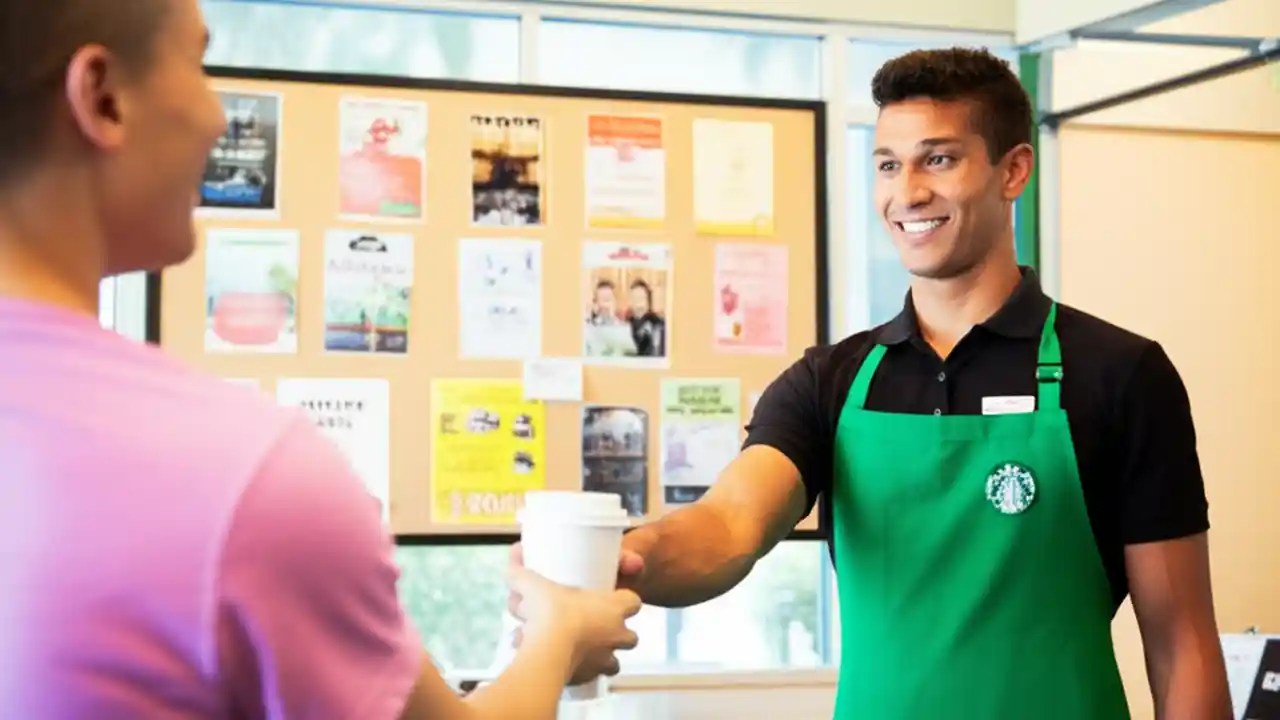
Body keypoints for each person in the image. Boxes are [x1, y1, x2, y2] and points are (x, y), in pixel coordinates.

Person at [513, 48, 1234, 718]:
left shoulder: (1121, 374)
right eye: (887, 166)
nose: (907, 192)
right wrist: (621, 559)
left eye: (939, 160)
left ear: (1013, 171)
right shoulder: (830, 381)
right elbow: (729, 526)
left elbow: (1181, 642)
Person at [0, 2, 639, 719]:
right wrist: (560, 635)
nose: (218, 117)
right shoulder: (245, 477)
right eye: (199, 65)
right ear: (103, 98)